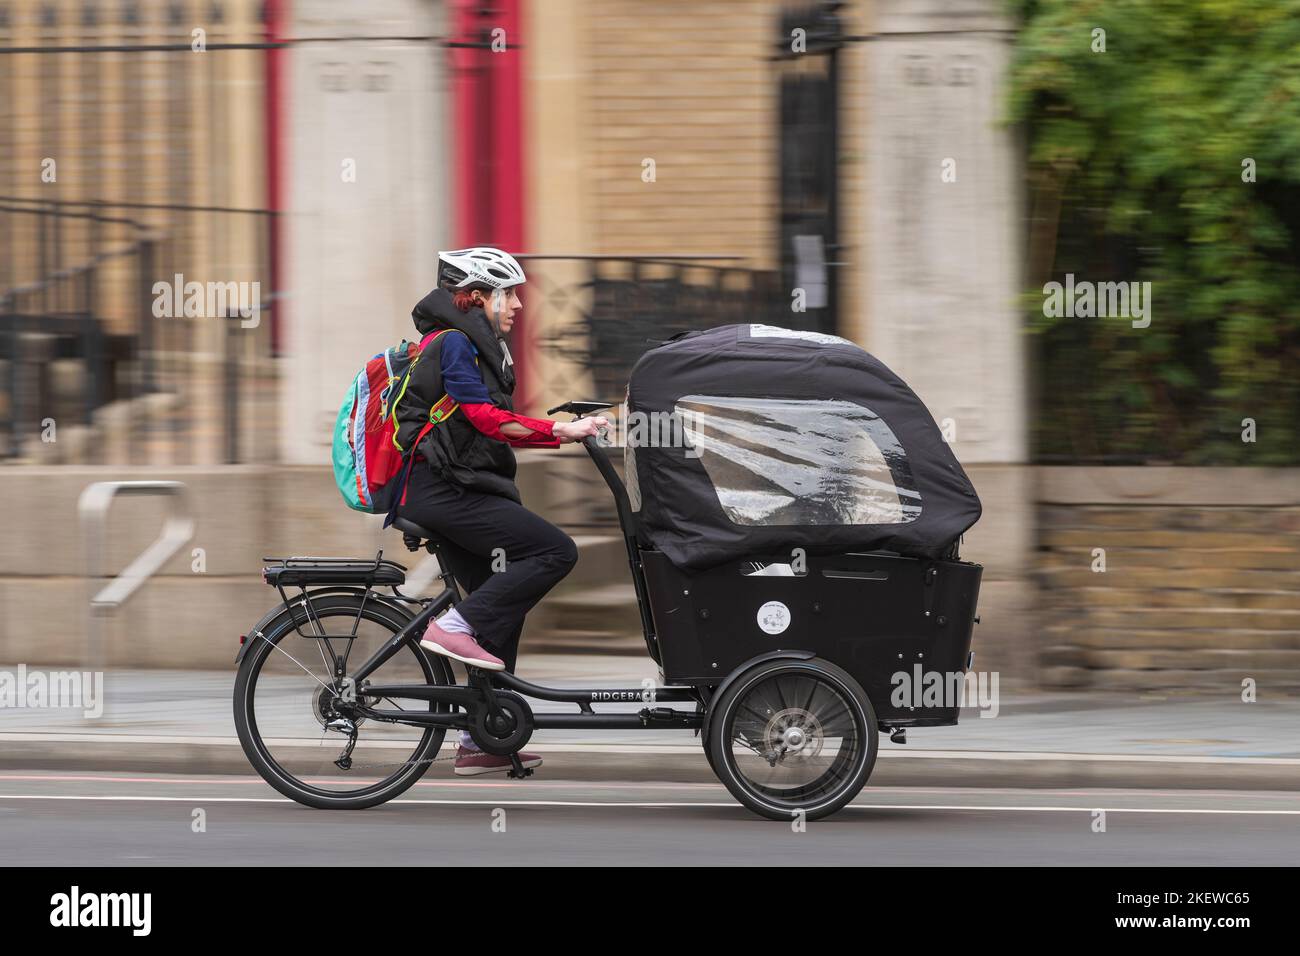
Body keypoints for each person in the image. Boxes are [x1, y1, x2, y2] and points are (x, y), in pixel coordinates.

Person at [392, 247, 608, 776]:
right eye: (507, 293)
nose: (515, 305)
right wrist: (560, 430)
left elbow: (486, 423)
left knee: (501, 599)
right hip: (442, 492)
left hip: (457, 488)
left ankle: (477, 736)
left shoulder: (471, 344)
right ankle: (452, 627)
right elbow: (487, 420)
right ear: (478, 296)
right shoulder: (455, 344)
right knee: (556, 550)